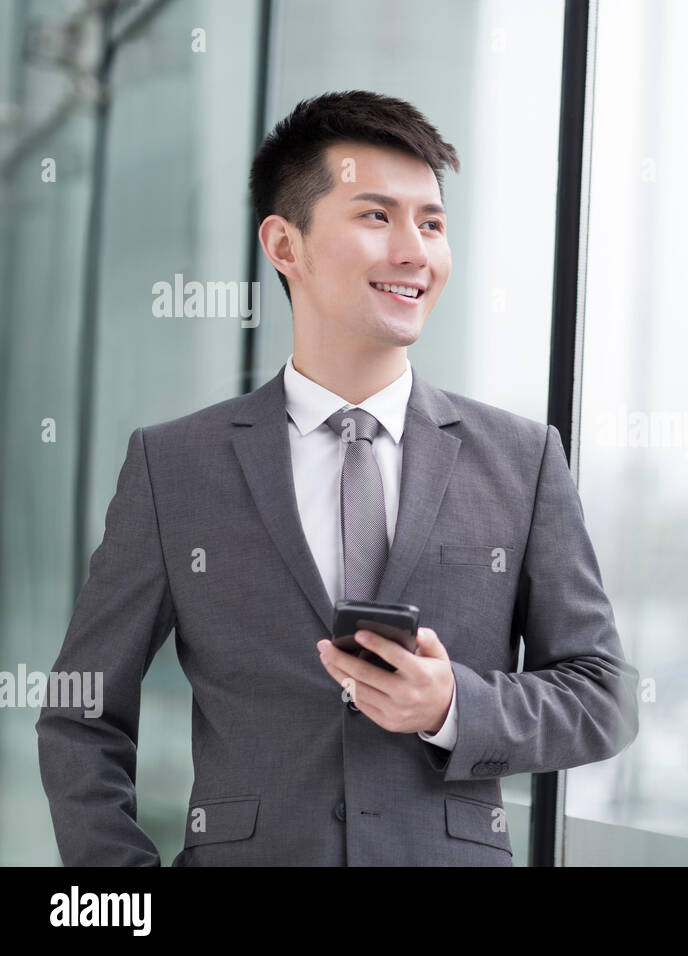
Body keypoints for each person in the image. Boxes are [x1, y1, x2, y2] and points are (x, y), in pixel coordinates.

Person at [35, 90, 639, 866]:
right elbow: (81, 713)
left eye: (431, 222)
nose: (414, 251)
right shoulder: (174, 466)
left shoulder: (522, 461)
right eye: (376, 216)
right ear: (286, 245)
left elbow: (603, 697)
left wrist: (456, 704)